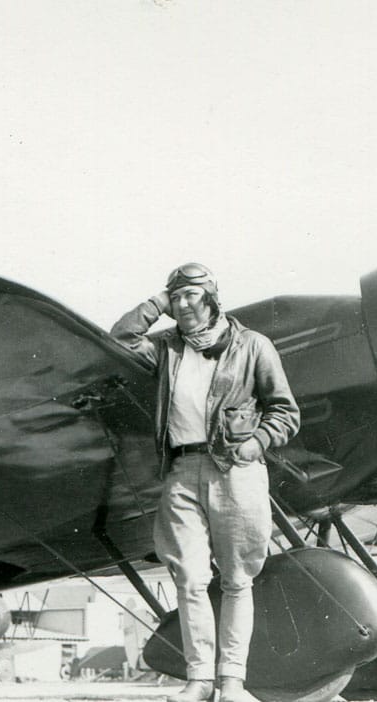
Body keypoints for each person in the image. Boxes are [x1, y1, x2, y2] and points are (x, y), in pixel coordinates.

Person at [111, 263, 299, 702]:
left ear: (213, 297)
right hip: (181, 471)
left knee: (237, 579)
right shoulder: (166, 349)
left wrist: (259, 441)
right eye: (176, 299)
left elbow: (284, 411)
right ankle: (199, 681)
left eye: (192, 295)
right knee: (190, 579)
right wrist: (158, 300)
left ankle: (232, 681)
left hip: (237, 470)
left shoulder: (254, 345)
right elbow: (121, 337)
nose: (184, 305)